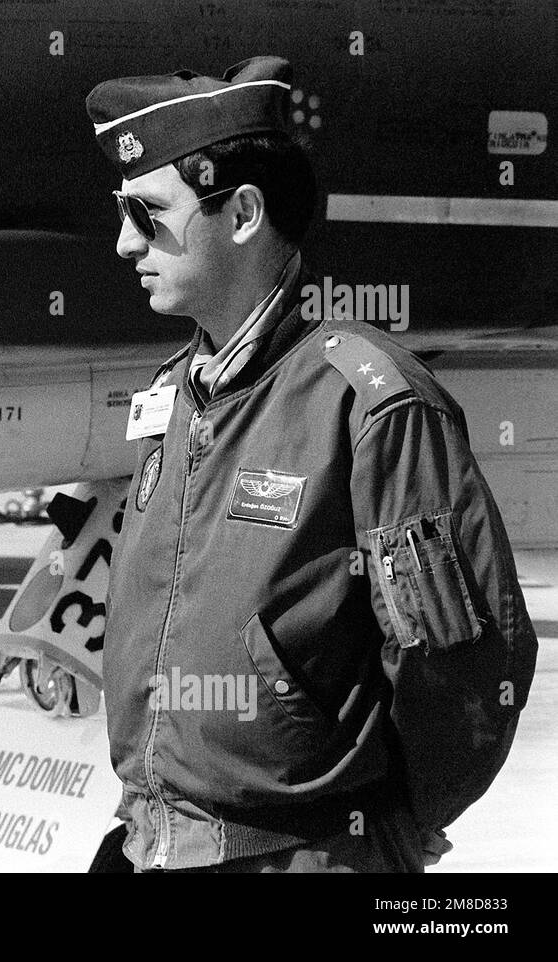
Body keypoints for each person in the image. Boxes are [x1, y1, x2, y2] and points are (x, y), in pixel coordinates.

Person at [83, 57, 537, 872]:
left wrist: (400, 821)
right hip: (150, 843)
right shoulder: (173, 396)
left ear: (244, 212)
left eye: (148, 215)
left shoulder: (366, 399)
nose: (124, 243)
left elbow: (461, 662)